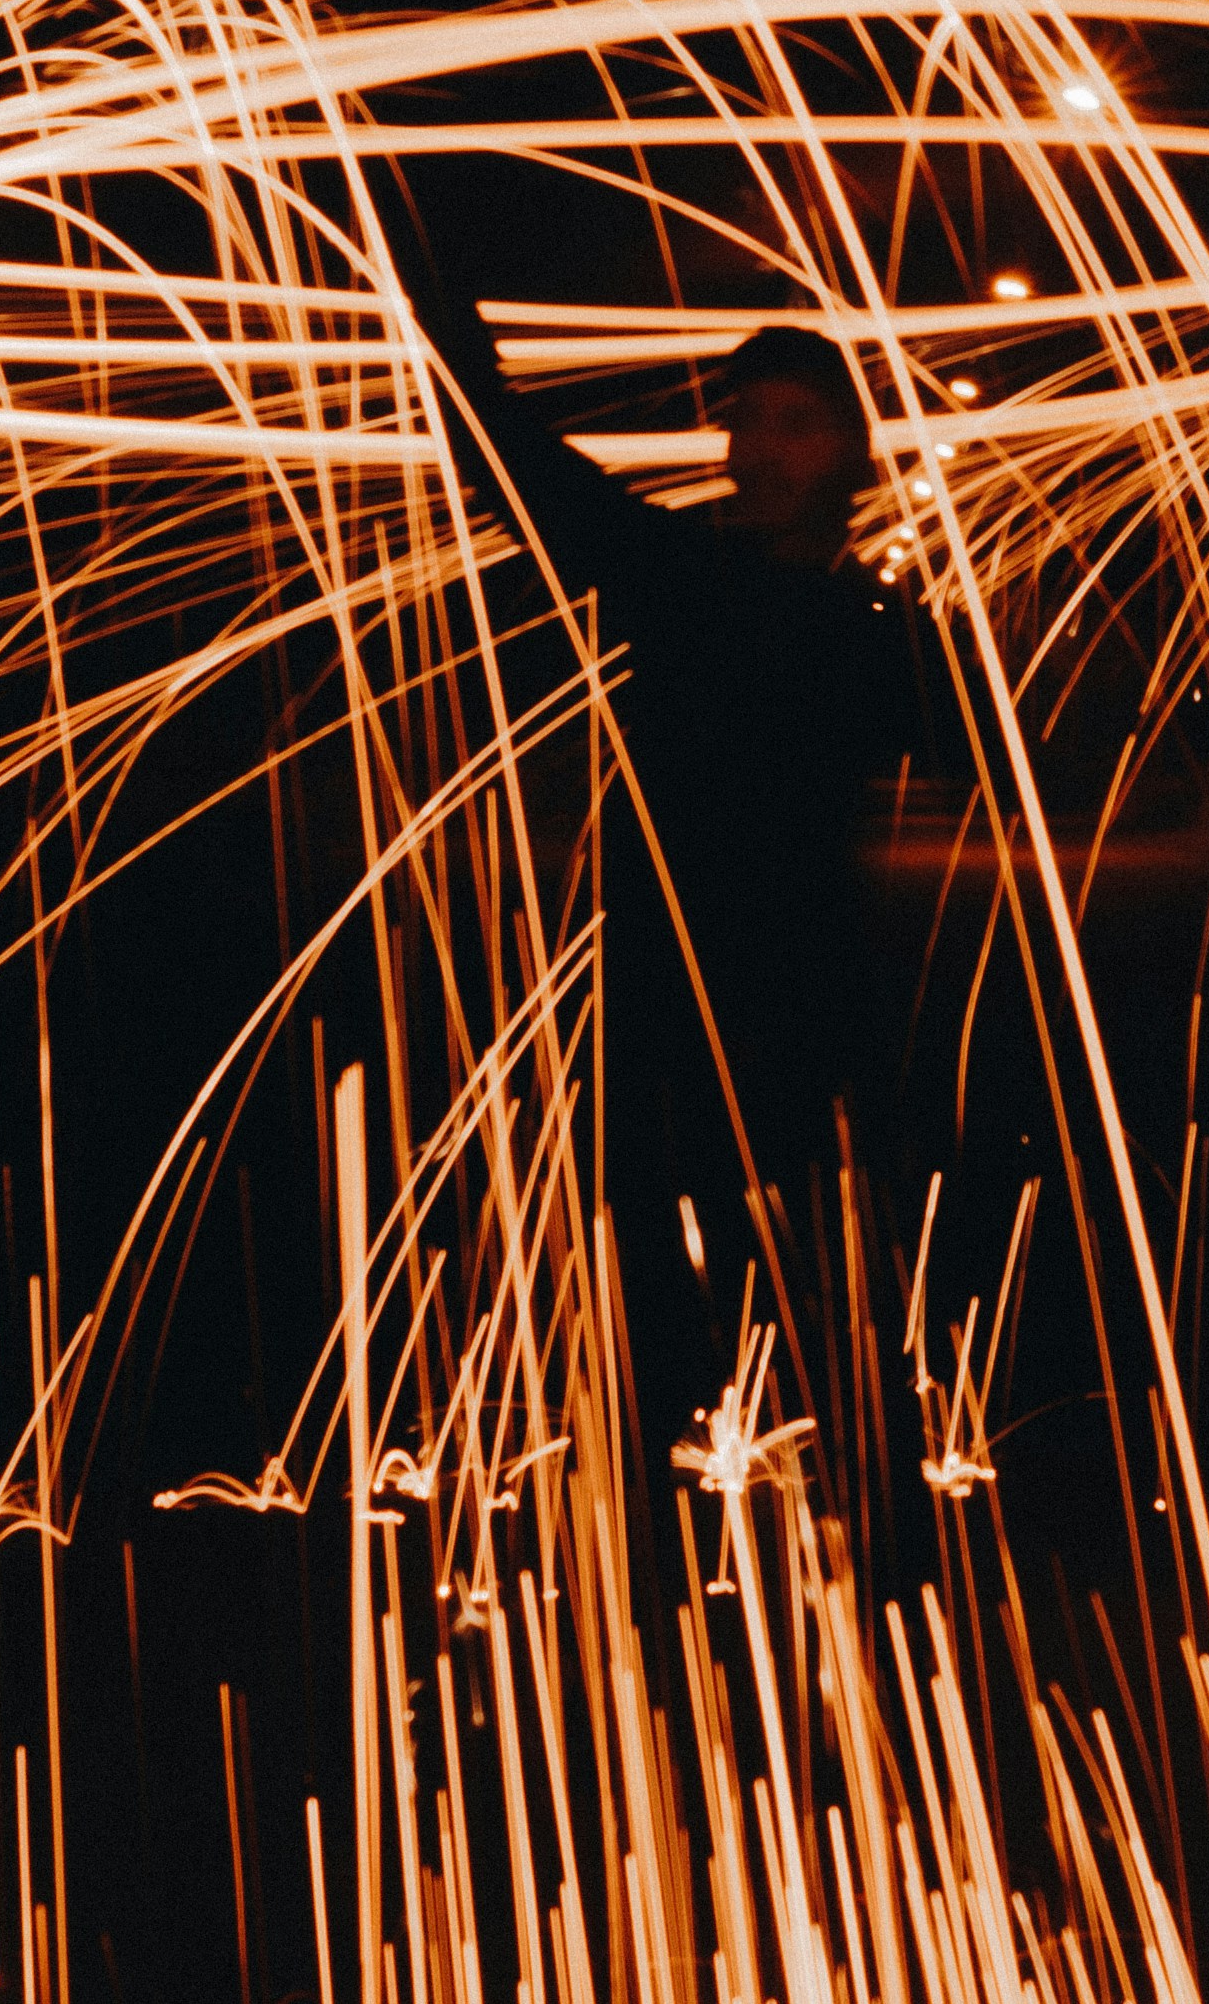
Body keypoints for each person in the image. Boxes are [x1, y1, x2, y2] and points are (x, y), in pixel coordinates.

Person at [386, 239, 927, 1384]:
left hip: (801, 1013)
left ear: (853, 452)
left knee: (801, 1315)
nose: (761, 450)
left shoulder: (870, 627)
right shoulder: (689, 580)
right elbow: (531, 476)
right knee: (672, 1322)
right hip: (664, 1011)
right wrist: (456, 351)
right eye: (749, 421)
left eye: (797, 423)